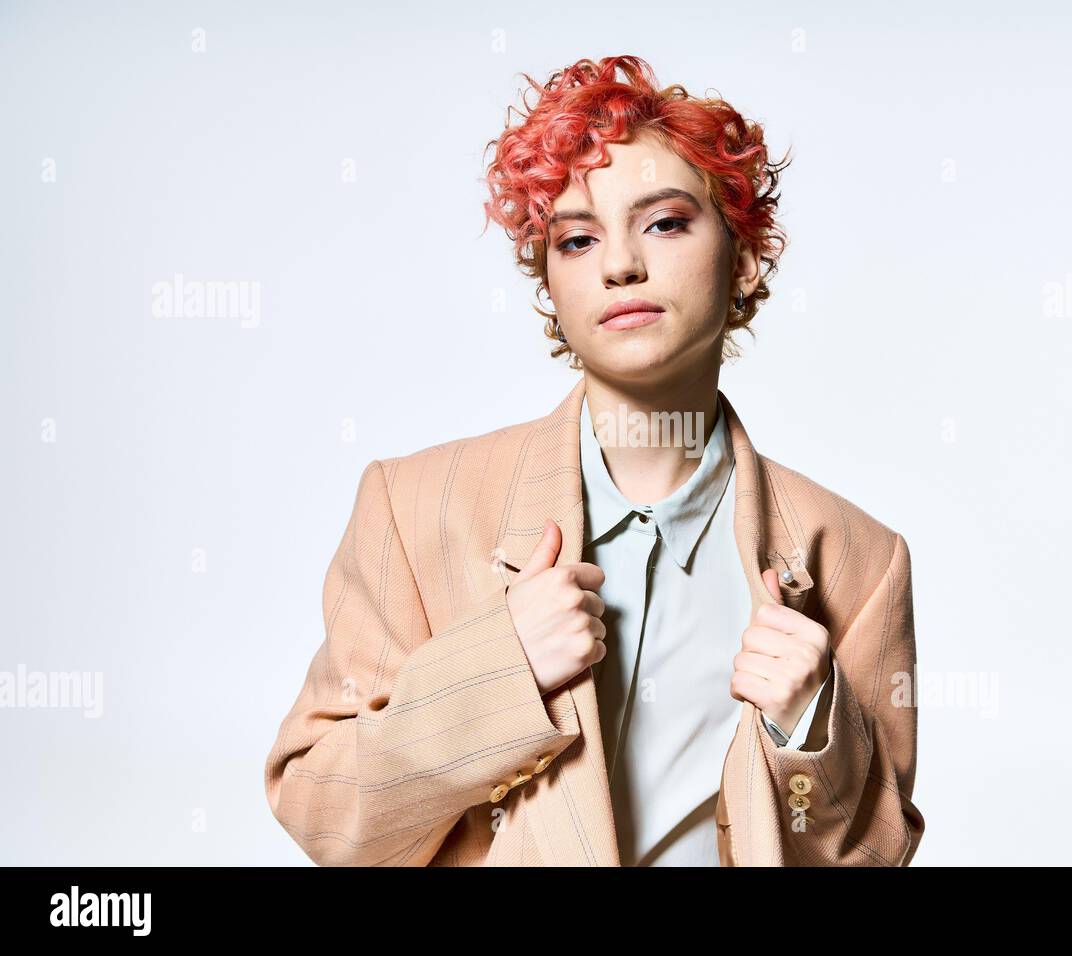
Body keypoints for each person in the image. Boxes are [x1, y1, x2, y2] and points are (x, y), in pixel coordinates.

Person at [263, 54, 923, 867]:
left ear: (745, 258)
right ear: (550, 283)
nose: (619, 266)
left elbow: (875, 854)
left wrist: (811, 731)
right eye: (577, 239)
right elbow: (323, 812)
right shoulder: (413, 507)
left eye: (666, 222)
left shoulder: (857, 557)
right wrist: (497, 675)